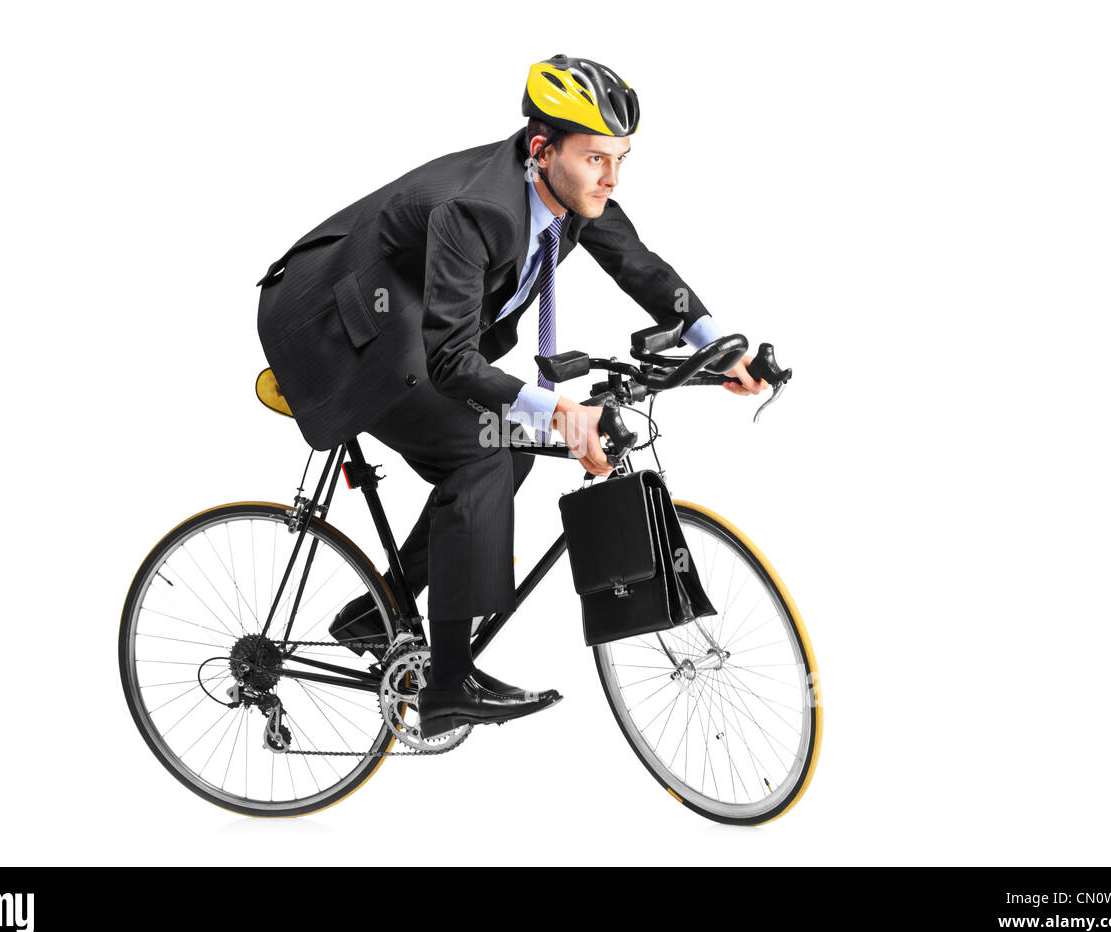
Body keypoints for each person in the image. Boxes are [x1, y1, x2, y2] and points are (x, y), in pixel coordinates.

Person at [255, 54, 767, 738]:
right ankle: (447, 686)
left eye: (622, 159)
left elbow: (640, 265)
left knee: (515, 448)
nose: (610, 178)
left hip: (405, 321)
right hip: (335, 329)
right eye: (596, 159)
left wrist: (717, 345)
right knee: (484, 454)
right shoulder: (478, 210)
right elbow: (450, 360)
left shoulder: (571, 192)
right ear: (541, 150)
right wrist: (564, 411)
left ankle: (372, 615)